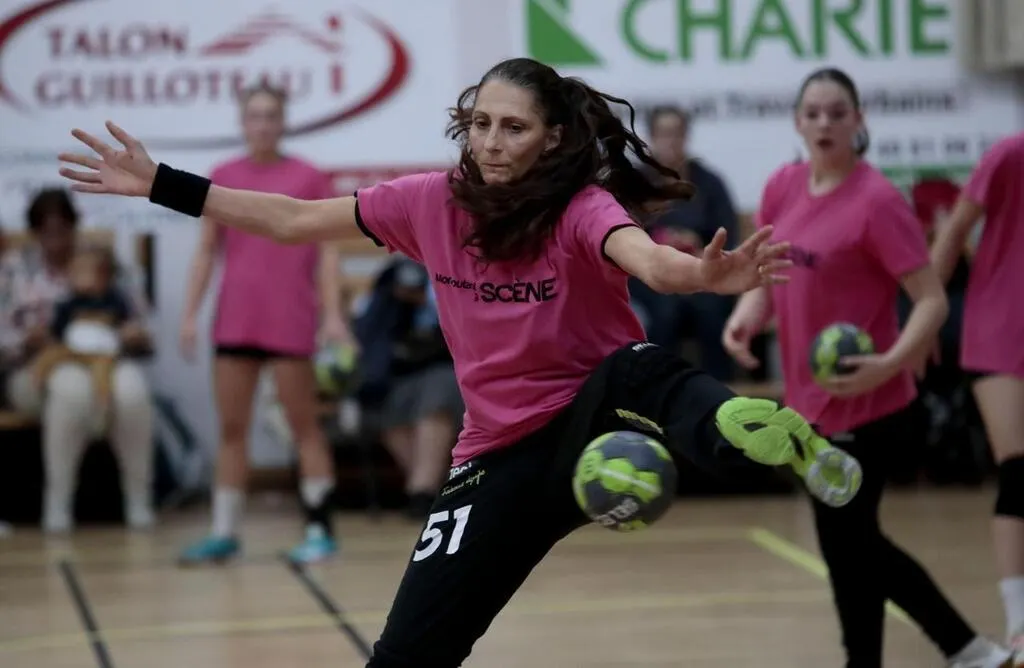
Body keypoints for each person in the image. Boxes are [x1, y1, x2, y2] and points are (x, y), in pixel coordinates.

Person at [59, 57, 865, 667]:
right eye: (480, 123)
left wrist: (703, 276)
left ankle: (749, 430)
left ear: (553, 136)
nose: (491, 142)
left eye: (512, 128)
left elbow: (650, 265)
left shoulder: (583, 206)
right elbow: (293, 220)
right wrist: (160, 182)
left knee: (633, 363)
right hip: (496, 457)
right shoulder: (428, 202)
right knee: (405, 656)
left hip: (591, 416)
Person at [722, 67, 1014, 668]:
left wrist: (889, 365)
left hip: (872, 406)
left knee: (850, 542)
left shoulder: (877, 200)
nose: (825, 123)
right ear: (798, 123)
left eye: (837, 112)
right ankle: (965, 650)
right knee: (850, 546)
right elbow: (771, 277)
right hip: (809, 406)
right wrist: (750, 312)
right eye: (813, 113)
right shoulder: (782, 186)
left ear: (859, 122)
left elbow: (931, 300)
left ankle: (963, 649)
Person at [176, 82, 353, 566]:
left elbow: (327, 253)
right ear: (242, 121)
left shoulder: (309, 177)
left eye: (271, 115)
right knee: (232, 428)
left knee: (304, 426)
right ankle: (224, 531)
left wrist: (333, 315)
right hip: (235, 321)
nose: (262, 124)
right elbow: (207, 251)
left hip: (290, 321)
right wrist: (190, 315)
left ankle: (320, 529)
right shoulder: (223, 175)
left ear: (283, 121)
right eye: (254, 115)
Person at [0, 188, 154, 533]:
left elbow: (140, 321)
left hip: (107, 358)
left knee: (132, 392)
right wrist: (28, 339)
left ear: (74, 226)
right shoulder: (13, 269)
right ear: (36, 232)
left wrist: (132, 332)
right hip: (38, 365)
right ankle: (58, 505)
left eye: (62, 230)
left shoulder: (104, 263)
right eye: (46, 232)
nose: (55, 240)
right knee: (72, 389)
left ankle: (139, 502)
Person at [930, 130, 1024, 661]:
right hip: (1001, 328)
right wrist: (927, 316)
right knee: (1018, 469)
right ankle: (1019, 621)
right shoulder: (1009, 154)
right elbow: (956, 231)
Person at [629, 104, 740, 381]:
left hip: (701, 272)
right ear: (651, 138)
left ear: (686, 136)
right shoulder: (634, 181)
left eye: (677, 133)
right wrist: (661, 243)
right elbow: (621, 233)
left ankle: (719, 395)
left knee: (711, 310)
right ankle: (657, 390)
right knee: (666, 312)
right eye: (664, 134)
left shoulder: (709, 182)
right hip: (648, 274)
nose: (671, 141)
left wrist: (700, 247)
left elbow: (730, 235)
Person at [353, 256, 462, 519]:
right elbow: (368, 334)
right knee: (390, 409)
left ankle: (422, 491)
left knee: (436, 397)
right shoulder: (386, 287)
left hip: (449, 370)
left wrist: (428, 302)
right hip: (400, 375)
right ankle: (433, 493)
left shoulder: (451, 276)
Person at [31, 245, 140, 423]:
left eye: (81, 272)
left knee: (103, 373)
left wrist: (130, 333)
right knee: (50, 354)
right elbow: (56, 329)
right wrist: (44, 334)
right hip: (72, 349)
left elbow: (125, 324)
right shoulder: (69, 302)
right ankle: (38, 377)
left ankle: (103, 402)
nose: (74, 277)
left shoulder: (115, 300)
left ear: (104, 276)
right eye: (73, 272)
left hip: (103, 353)